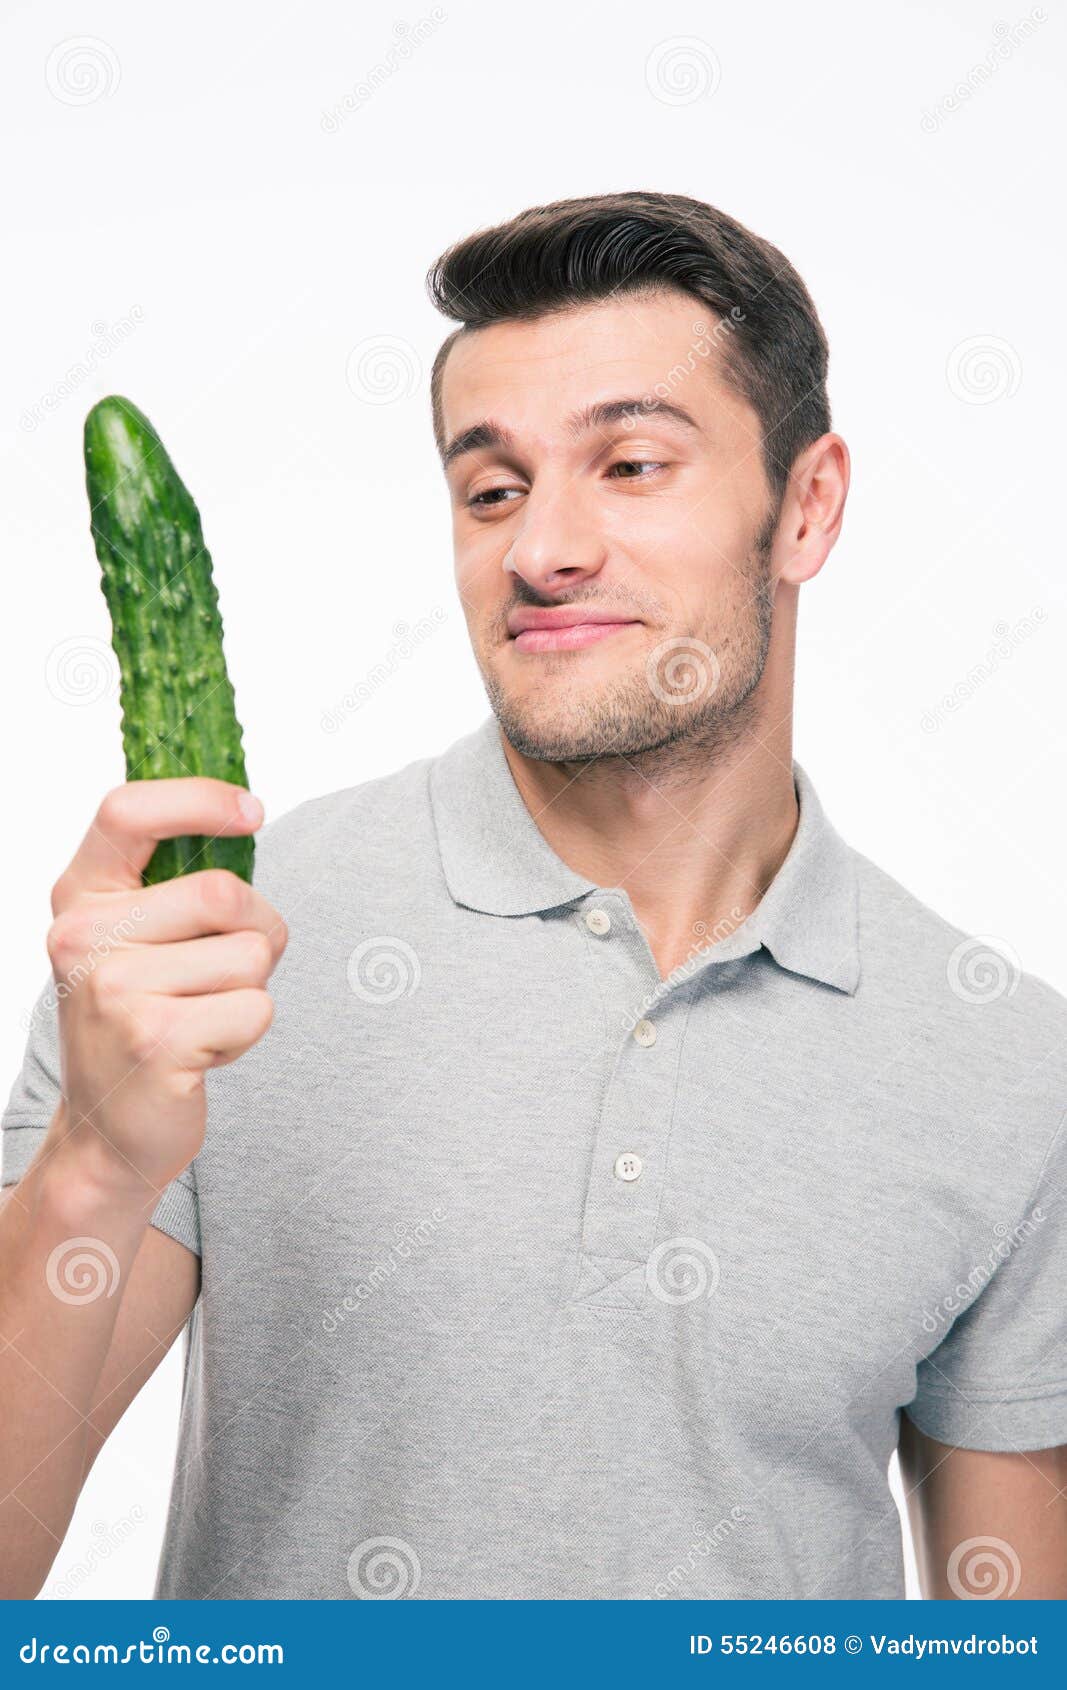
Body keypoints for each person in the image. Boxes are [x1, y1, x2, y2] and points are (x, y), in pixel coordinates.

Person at [2, 192, 1065, 1602]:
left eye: (629, 465)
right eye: (491, 487)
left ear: (806, 505)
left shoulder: (1000, 1056)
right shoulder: (208, 950)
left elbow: (1012, 1639)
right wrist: (92, 1155)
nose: (541, 549)